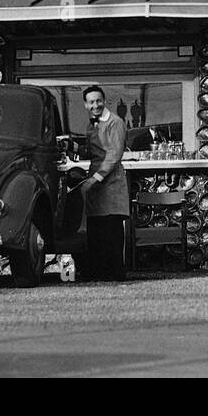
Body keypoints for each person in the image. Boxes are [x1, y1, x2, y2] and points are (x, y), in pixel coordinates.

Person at [80, 84, 129, 281]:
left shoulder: (115, 122)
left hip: (111, 183)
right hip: (96, 184)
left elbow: (114, 155)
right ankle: (99, 272)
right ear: (85, 105)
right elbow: (92, 151)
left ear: (104, 101)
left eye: (98, 101)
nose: (95, 105)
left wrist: (95, 179)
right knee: (97, 229)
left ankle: (116, 273)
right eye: (91, 102)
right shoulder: (92, 124)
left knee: (111, 229)